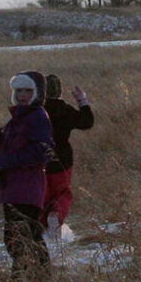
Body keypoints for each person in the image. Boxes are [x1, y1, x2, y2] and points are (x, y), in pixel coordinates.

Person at [0, 70, 55, 277]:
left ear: (36, 93)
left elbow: (43, 152)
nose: (22, 94)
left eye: (27, 90)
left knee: (26, 233)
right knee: (16, 234)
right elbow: (9, 150)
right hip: (13, 185)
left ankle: (36, 275)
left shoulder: (37, 117)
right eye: (19, 90)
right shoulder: (18, 118)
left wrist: (6, 161)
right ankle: (26, 273)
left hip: (28, 184)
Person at [40, 73, 96, 238]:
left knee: (43, 193)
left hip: (39, 160)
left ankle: (43, 224)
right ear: (60, 91)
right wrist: (82, 101)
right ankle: (56, 216)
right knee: (62, 192)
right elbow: (87, 122)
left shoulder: (37, 111)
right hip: (62, 159)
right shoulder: (64, 109)